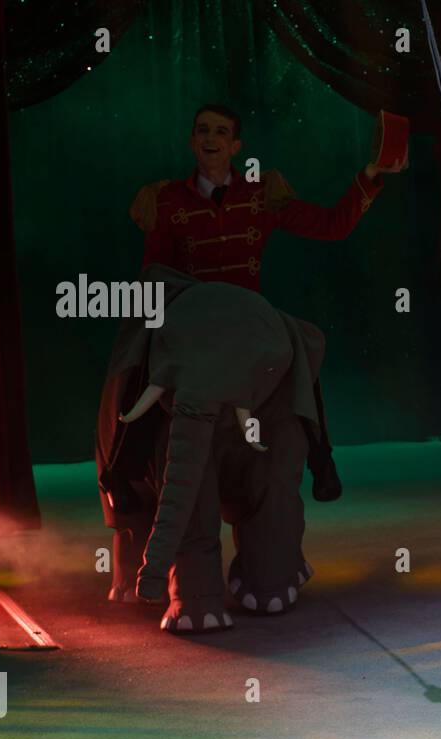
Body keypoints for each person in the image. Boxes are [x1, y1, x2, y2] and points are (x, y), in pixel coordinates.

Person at [127, 103, 407, 500]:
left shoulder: (261, 193)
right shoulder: (165, 200)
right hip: (192, 319)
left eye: (221, 132)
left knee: (302, 349)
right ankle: (126, 464)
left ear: (235, 145)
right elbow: (153, 272)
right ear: (192, 141)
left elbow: (332, 226)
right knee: (137, 365)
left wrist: (372, 175)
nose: (211, 139)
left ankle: (321, 457)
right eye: (203, 131)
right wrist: (158, 322)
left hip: (249, 319)